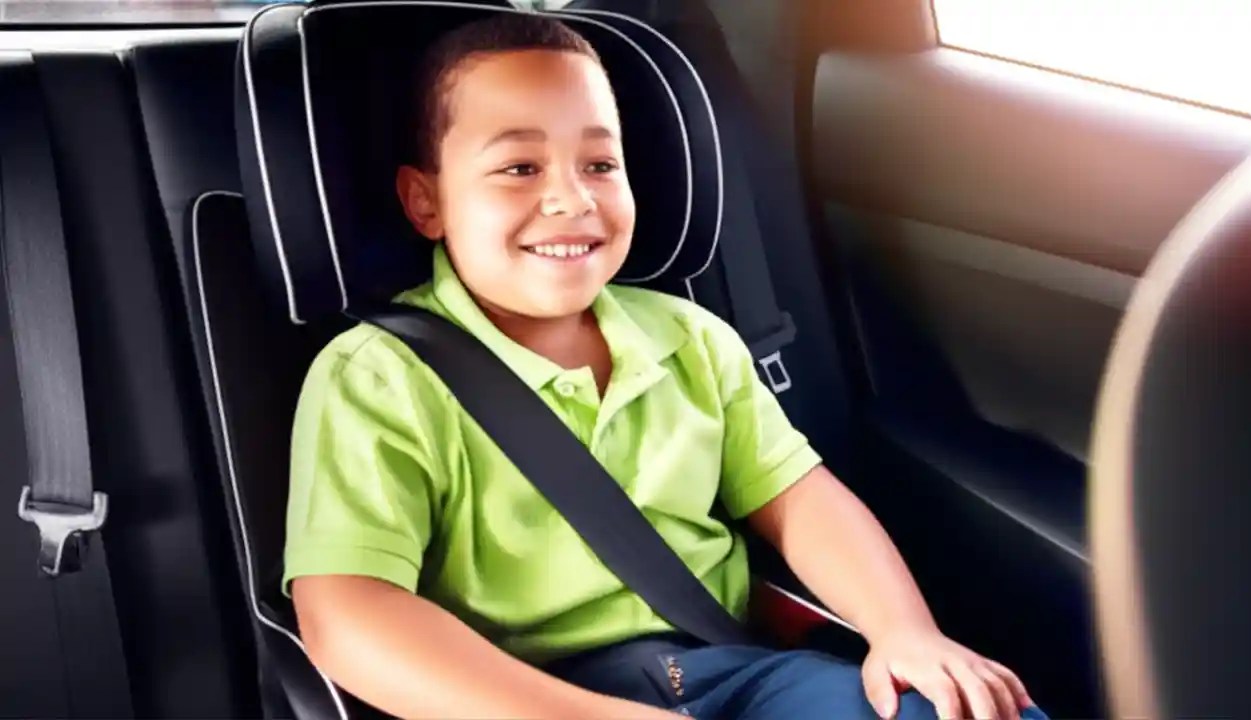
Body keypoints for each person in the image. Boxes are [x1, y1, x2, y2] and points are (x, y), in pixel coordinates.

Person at [284, 13, 1050, 720]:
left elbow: (801, 500)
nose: (569, 198)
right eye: (519, 168)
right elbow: (349, 614)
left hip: (729, 672)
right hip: (512, 697)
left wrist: (903, 632)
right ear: (426, 202)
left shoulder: (689, 338)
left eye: (599, 163)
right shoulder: (379, 378)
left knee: (955, 707)